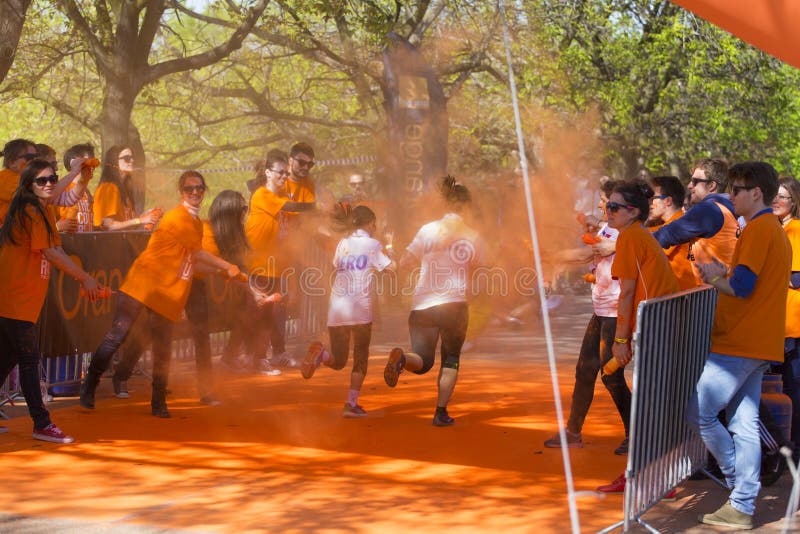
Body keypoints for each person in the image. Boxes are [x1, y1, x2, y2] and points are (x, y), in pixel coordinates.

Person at [80, 171, 241, 417]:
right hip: (142, 282)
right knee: (117, 335)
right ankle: (90, 385)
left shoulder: (196, 223)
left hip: (166, 291)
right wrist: (226, 266)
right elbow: (197, 255)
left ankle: (158, 402)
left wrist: (225, 273)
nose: (195, 192)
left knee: (162, 345)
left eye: (199, 188)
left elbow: (191, 260)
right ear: (181, 192)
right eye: (190, 189)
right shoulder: (179, 217)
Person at [687, 162, 791, 529]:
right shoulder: (770, 229)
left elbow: (743, 287)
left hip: (741, 342)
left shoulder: (761, 229)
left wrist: (715, 277)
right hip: (755, 341)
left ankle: (741, 490)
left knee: (699, 412)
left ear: (755, 193)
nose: (730, 197)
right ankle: (742, 503)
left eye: (735, 190)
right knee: (743, 425)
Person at [0, 158, 101, 442]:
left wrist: (76, 174)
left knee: (7, 358)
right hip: (14, 295)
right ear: (29, 185)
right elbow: (52, 253)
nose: (48, 184)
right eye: (41, 181)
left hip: (20, 296)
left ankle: (40, 423)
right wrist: (85, 278)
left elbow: (60, 197)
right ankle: (41, 423)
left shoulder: (41, 206)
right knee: (29, 360)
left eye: (51, 179)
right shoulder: (31, 210)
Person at [596, 180, 680, 494]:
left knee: (649, 405)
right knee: (652, 404)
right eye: (608, 205)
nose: (609, 211)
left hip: (656, 327)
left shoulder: (630, 236)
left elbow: (627, 292)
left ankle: (647, 476)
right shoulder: (636, 234)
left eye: (615, 207)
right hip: (661, 324)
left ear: (633, 212)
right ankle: (650, 474)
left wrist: (621, 341)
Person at [383, 176, 485, 427]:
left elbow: (404, 263)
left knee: (423, 359)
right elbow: (481, 273)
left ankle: (402, 359)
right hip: (455, 306)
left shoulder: (426, 230)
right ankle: (440, 412)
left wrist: (391, 261)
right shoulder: (473, 236)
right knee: (450, 359)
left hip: (423, 304)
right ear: (466, 207)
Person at [544, 179, 632, 454]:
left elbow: (588, 252)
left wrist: (551, 255)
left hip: (616, 313)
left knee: (611, 376)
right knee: (585, 371)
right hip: (601, 312)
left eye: (608, 202)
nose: (602, 205)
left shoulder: (625, 233)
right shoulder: (610, 228)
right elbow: (591, 252)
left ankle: (635, 434)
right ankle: (573, 431)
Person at [301, 203, 394, 417]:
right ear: (370, 223)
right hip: (360, 310)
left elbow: (336, 266)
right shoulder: (373, 244)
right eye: (375, 224)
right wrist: (389, 247)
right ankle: (351, 404)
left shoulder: (342, 243)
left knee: (339, 360)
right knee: (360, 357)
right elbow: (391, 268)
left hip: (337, 309)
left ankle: (322, 356)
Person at [245, 149, 314, 374]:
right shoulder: (262, 194)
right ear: (267, 172)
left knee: (271, 312)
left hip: (275, 264)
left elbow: (298, 217)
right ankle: (256, 358)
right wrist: (317, 206)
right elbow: (292, 208)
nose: (285, 177)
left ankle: (268, 356)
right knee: (261, 313)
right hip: (259, 263)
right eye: (280, 173)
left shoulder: (281, 196)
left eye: (286, 173)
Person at [653, 158, 738, 284]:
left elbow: (667, 235)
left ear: (711, 185)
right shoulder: (728, 207)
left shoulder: (709, 210)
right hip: (723, 288)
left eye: (695, 181)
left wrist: (630, 242)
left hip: (715, 294)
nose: (689, 185)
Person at [772, 177, 800, 460]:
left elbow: (795, 278)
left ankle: (792, 449)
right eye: (774, 195)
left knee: (792, 389)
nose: (777, 201)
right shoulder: (777, 228)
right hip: (776, 323)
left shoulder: (795, 230)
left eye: (783, 196)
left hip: (792, 323)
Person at [1, 138, 92, 220]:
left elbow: (68, 199)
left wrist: (84, 179)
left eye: (36, 157)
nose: (35, 161)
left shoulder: (33, 182)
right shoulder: (4, 180)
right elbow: (44, 195)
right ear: (12, 162)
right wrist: (74, 172)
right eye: (30, 158)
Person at [93, 145, 160, 231]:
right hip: (107, 243)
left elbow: (126, 225)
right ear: (114, 162)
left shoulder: (124, 188)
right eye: (127, 158)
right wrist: (139, 220)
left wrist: (143, 217)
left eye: (132, 157)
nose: (132, 161)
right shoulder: (108, 188)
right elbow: (107, 225)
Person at [648, 176, 696, 290]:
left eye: (653, 198)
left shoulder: (677, 226)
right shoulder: (676, 221)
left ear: (667, 201)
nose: (649, 203)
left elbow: (647, 250)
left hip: (682, 299)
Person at [56, 143, 96, 233]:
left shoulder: (87, 192)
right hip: (67, 244)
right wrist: (57, 227)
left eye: (94, 162)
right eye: (88, 162)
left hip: (84, 244)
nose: (93, 166)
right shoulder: (62, 188)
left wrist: (95, 227)